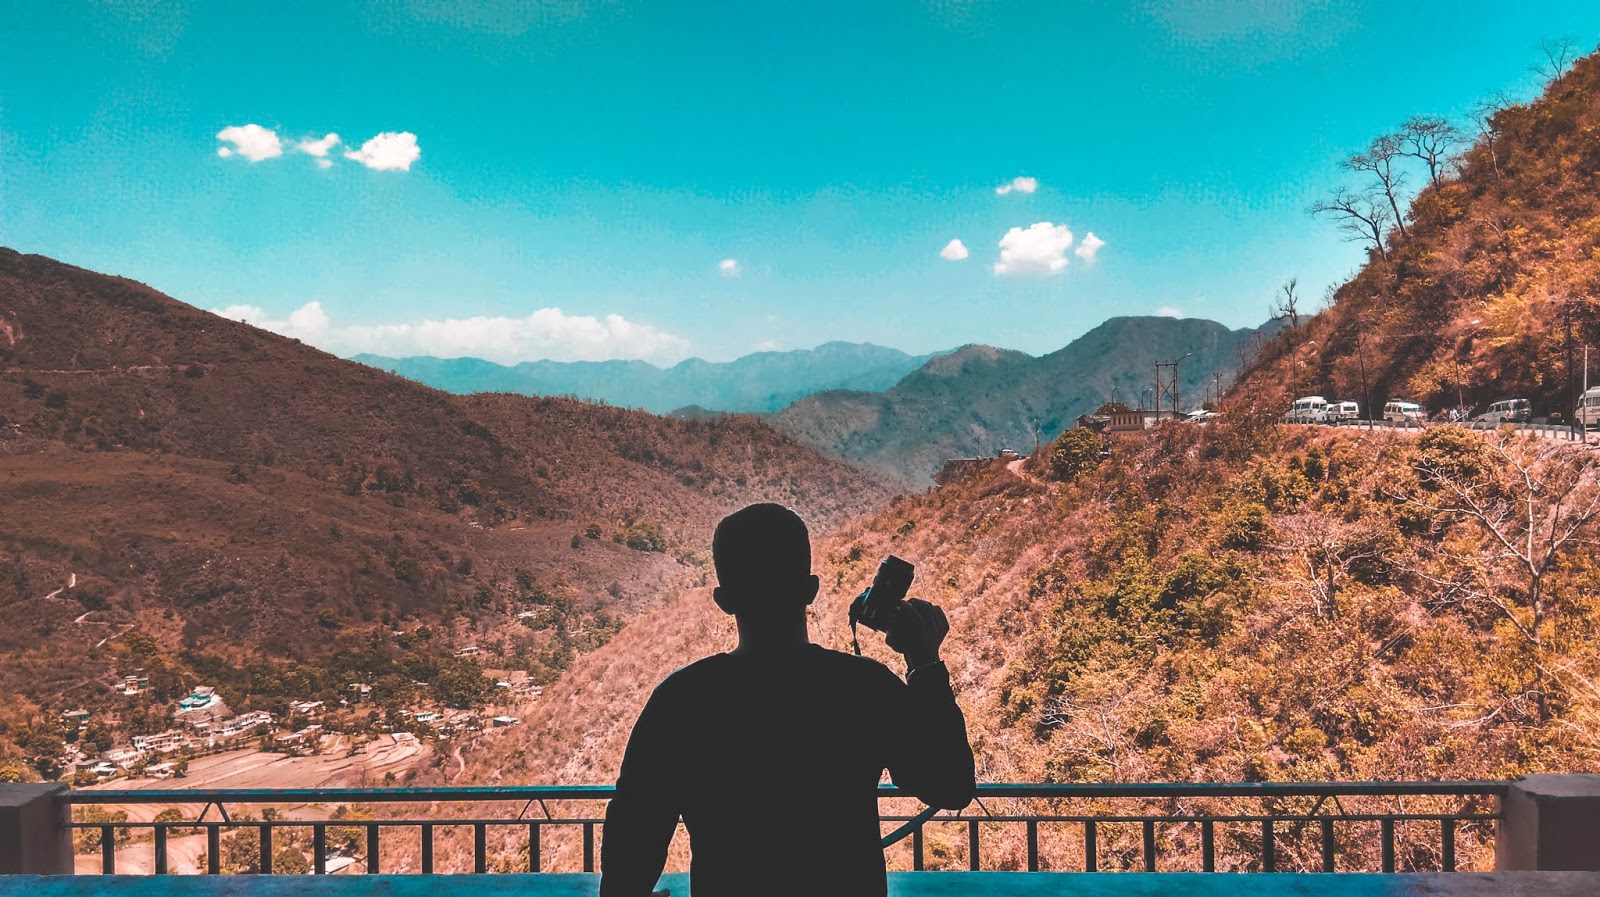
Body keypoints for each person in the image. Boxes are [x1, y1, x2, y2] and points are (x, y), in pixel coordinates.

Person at [599, 503, 976, 897]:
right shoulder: (864, 688)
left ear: (724, 600)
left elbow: (634, 836)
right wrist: (924, 662)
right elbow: (951, 787)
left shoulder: (680, 700)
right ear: (810, 590)